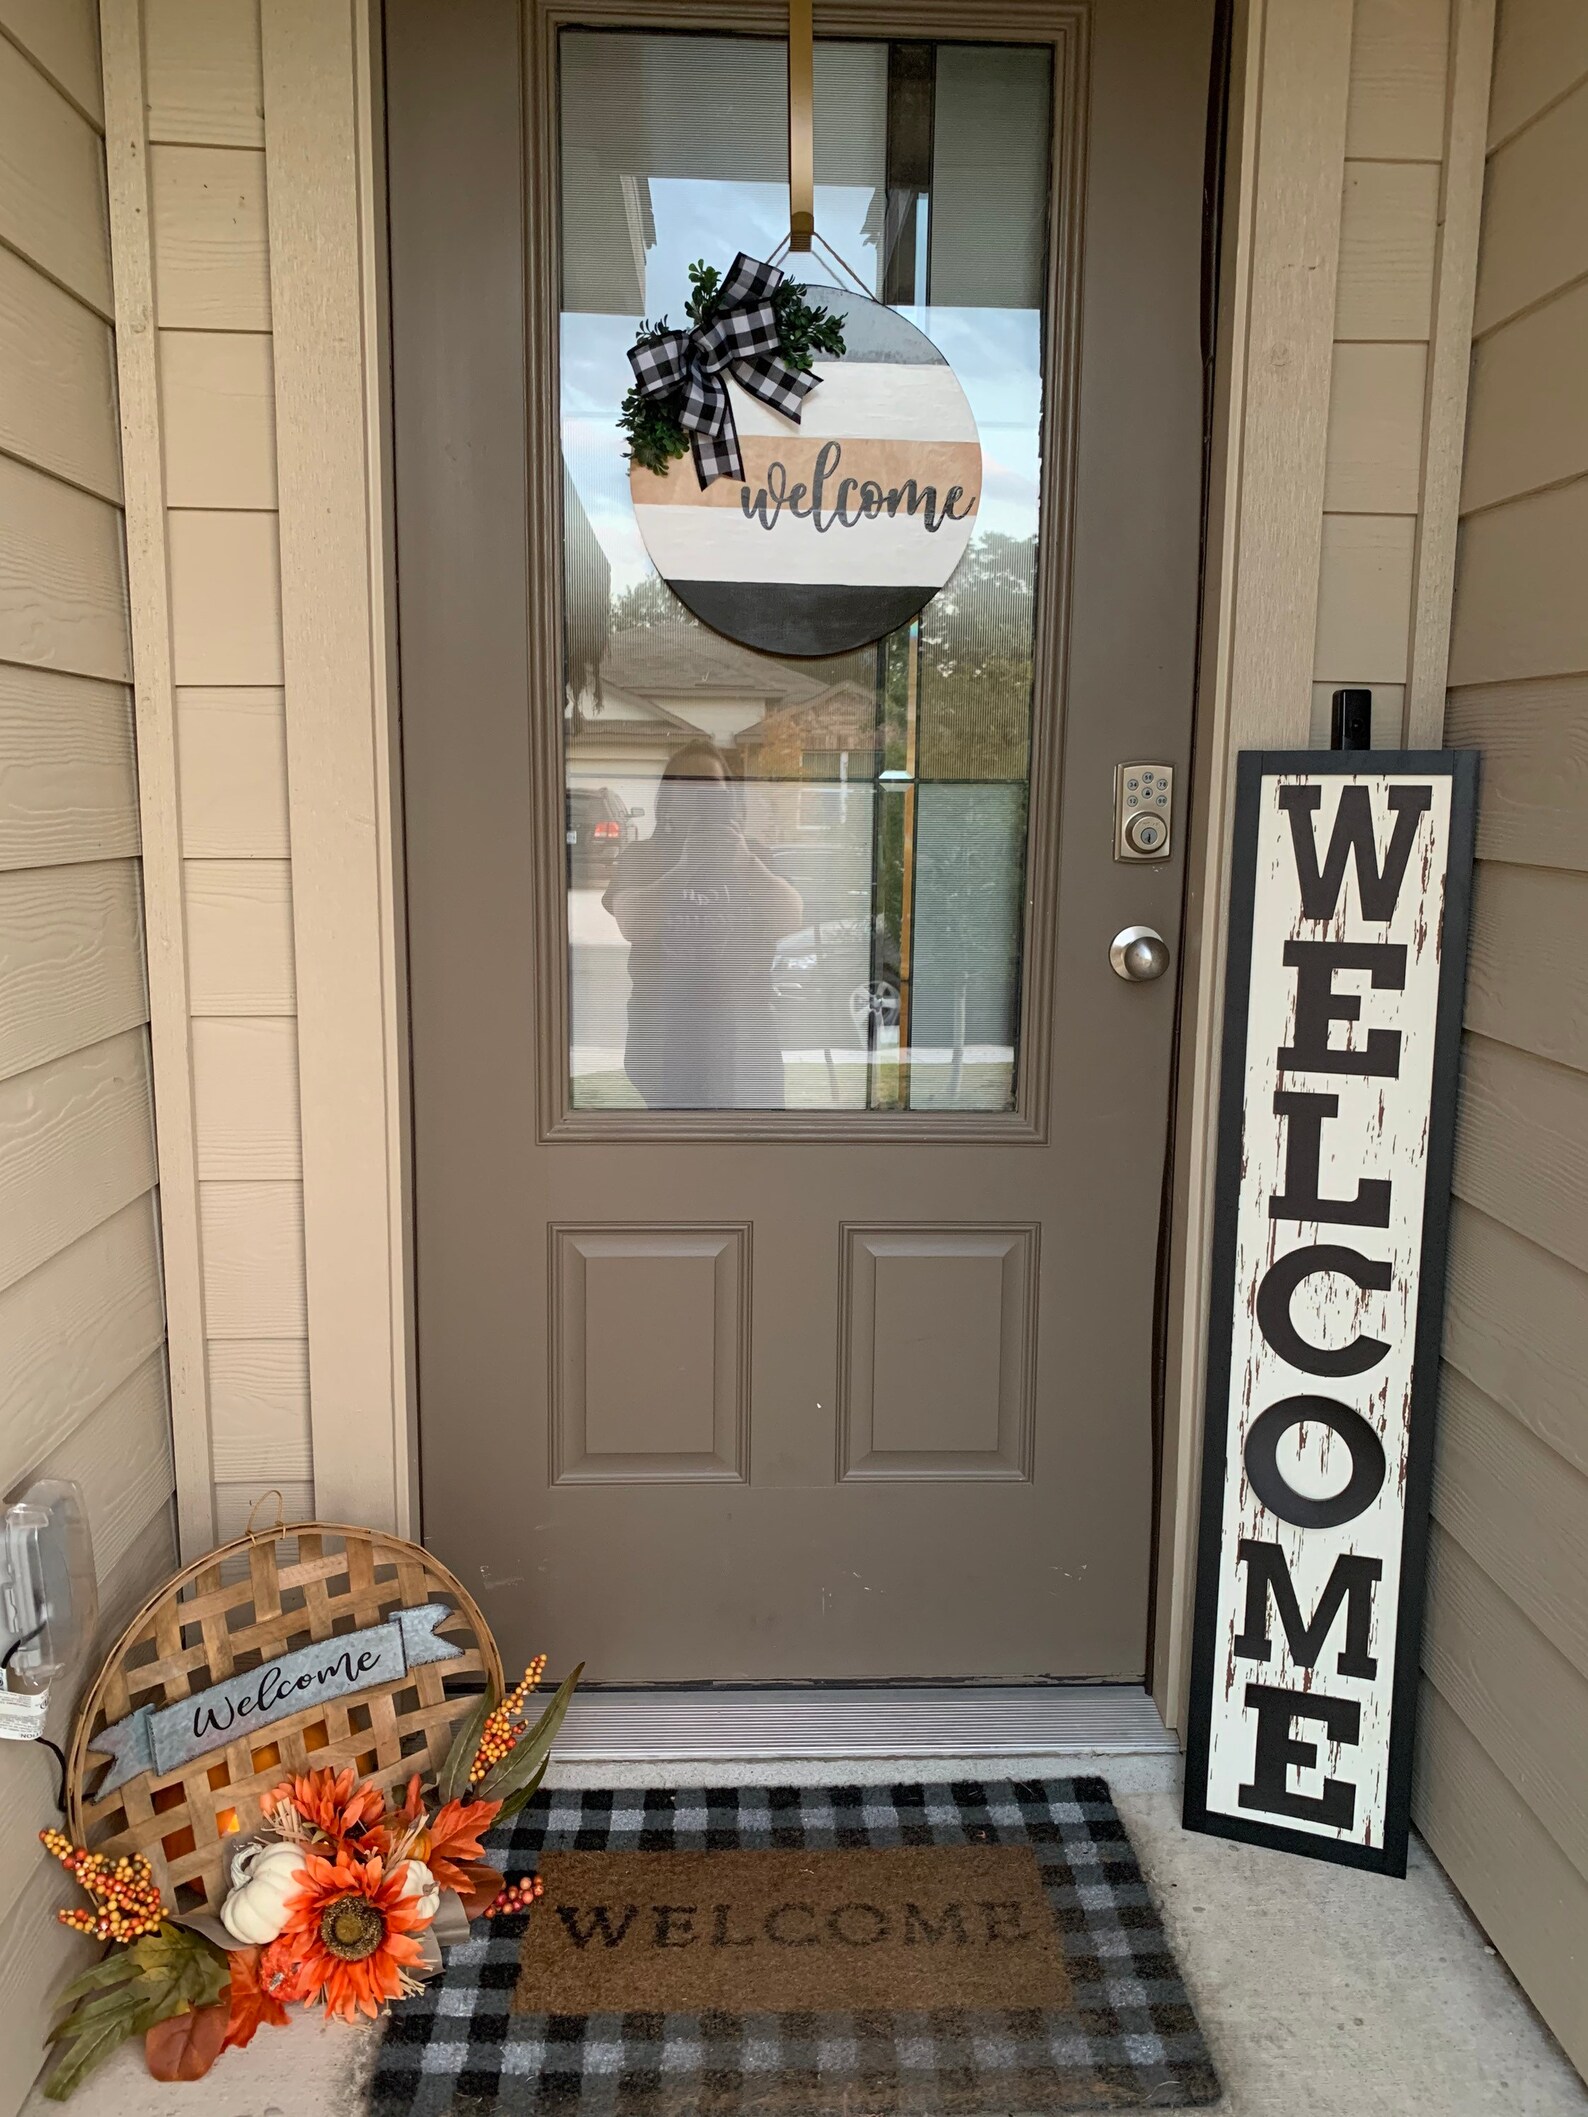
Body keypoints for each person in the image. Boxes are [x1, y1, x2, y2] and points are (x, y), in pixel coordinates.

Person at [603, 741, 803, 1109]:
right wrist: (683, 868)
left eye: (710, 786)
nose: (699, 795)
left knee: (757, 1152)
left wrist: (744, 862)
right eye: (686, 785)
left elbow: (790, 916)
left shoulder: (754, 855)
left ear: (729, 796)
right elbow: (632, 924)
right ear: (667, 799)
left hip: (745, 1030)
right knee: (677, 1153)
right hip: (665, 1029)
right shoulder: (643, 856)